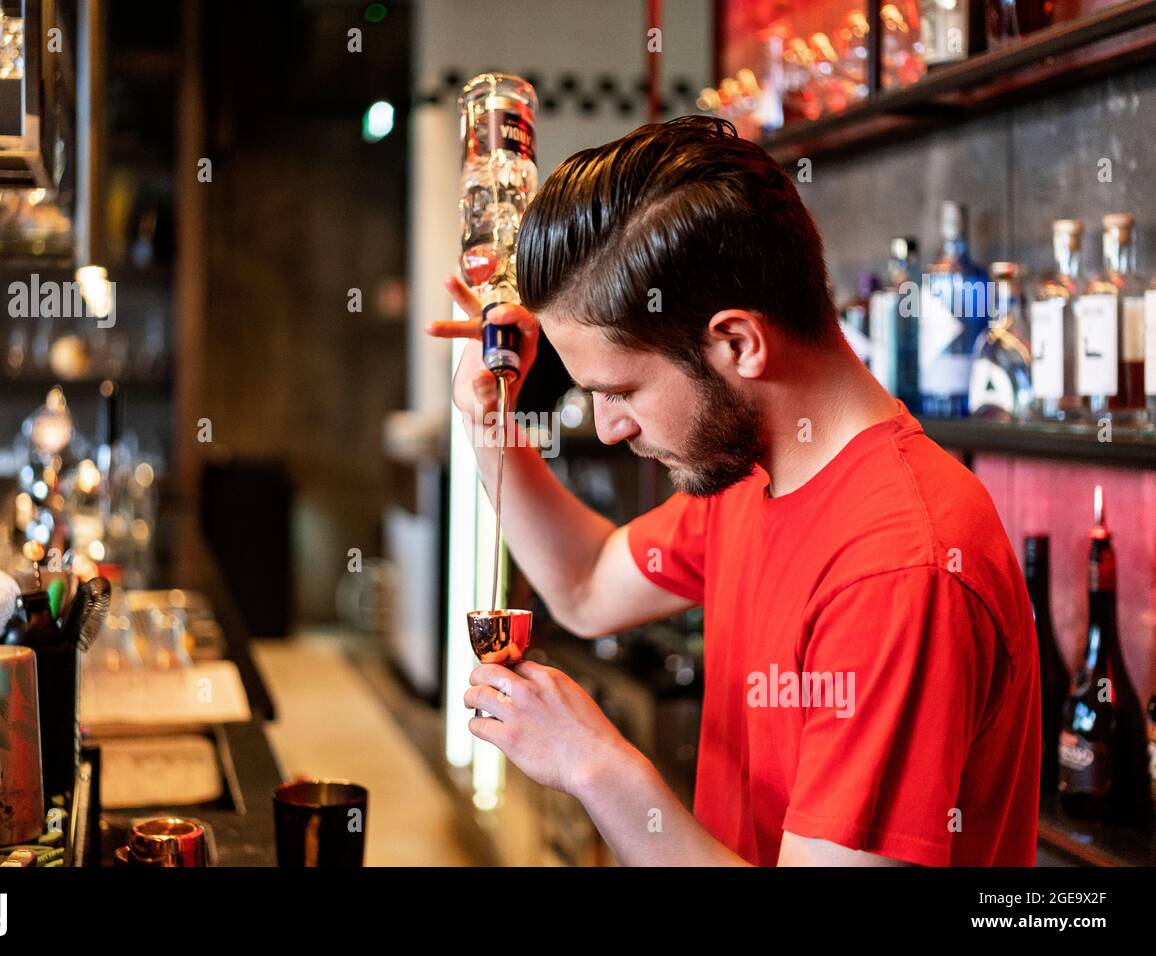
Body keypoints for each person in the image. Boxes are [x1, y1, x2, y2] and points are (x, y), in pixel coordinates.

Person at [425, 115, 1040, 867]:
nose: (610, 428)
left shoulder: (900, 568)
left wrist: (595, 767)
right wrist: (488, 424)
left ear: (739, 342)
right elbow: (586, 585)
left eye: (619, 390)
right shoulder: (753, 472)